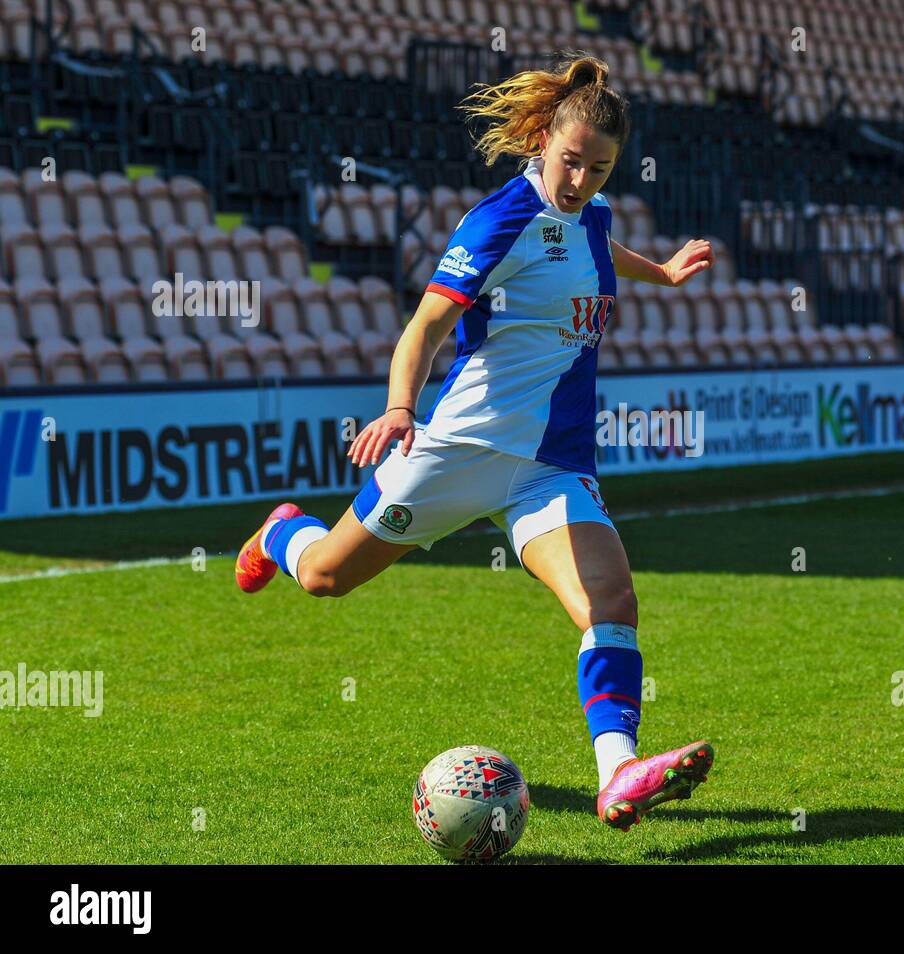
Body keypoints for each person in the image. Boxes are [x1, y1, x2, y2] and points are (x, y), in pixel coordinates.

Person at [235, 54, 717, 826]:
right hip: (459, 448)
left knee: (611, 600)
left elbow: (599, 250)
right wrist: (398, 408)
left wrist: (660, 272)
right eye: (570, 161)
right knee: (327, 577)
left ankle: (618, 771)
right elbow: (427, 324)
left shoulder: (591, 215)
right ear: (544, 143)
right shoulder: (501, 219)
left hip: (549, 466)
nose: (580, 181)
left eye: (599, 169)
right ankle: (284, 532)